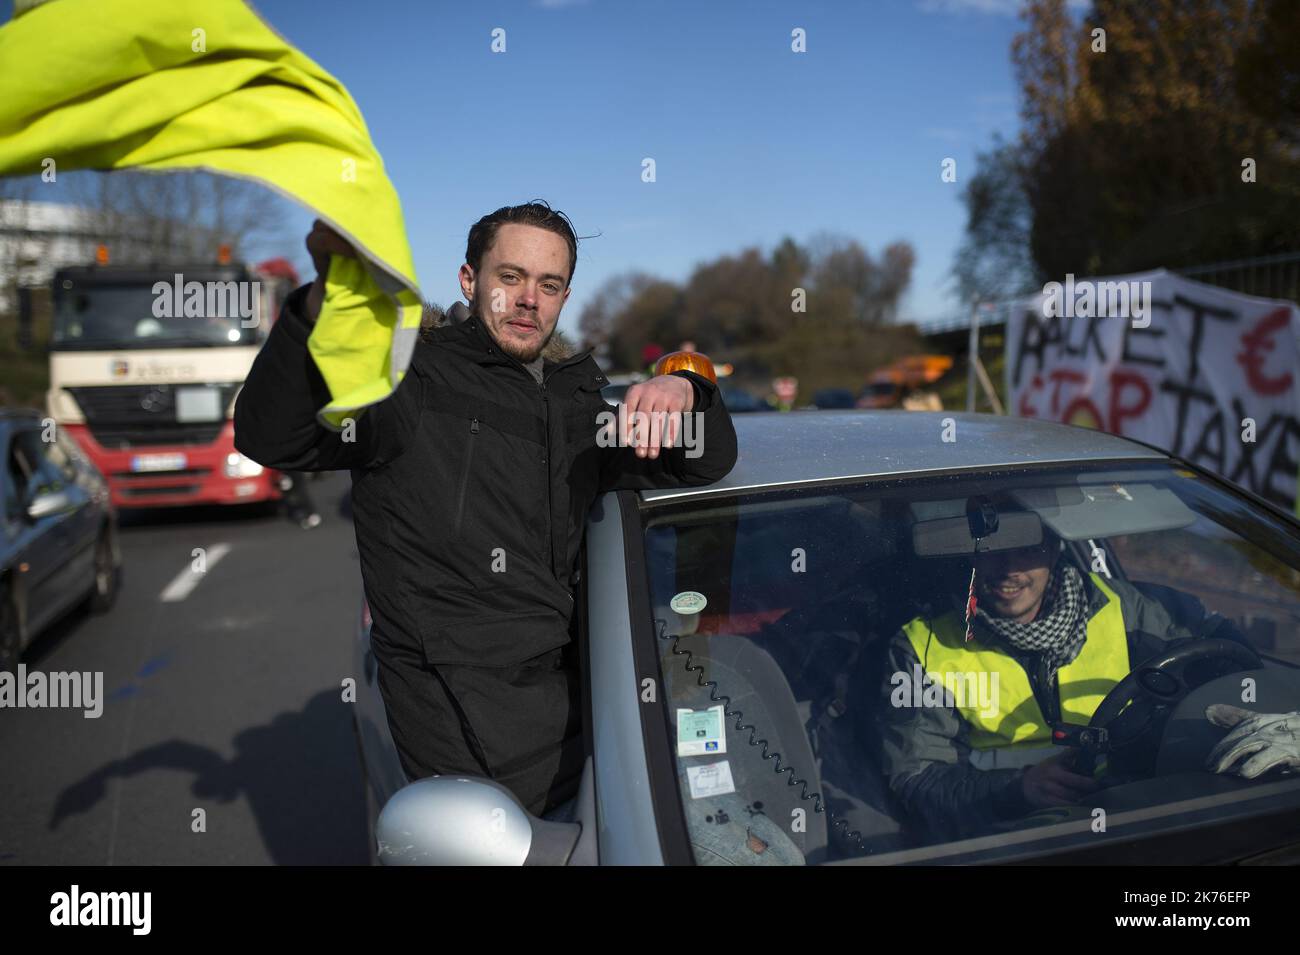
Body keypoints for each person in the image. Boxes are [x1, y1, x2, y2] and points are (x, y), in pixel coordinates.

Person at [234, 202, 738, 815]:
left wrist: (689, 388)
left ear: (565, 296)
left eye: (548, 285)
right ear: (469, 281)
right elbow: (271, 436)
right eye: (510, 277)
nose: (529, 299)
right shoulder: (411, 381)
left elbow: (705, 463)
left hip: (589, 710)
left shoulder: (580, 399)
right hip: (463, 729)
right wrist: (317, 310)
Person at [878, 529, 1231, 843]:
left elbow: (1233, 661)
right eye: (992, 549)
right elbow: (917, 780)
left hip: (1140, 818)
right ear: (971, 554)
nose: (1009, 568)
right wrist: (1017, 789)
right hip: (1004, 838)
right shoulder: (920, 647)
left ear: (1053, 546)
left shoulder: (1135, 610)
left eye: (1025, 548)